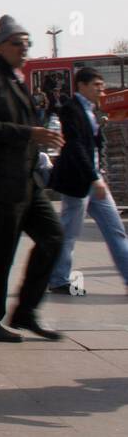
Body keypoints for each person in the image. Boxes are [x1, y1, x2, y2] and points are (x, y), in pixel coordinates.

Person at [0, 16, 65, 342]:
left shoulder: (16, 79)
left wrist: (36, 136)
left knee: (53, 238)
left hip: (26, 180)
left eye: (27, 43)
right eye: (18, 43)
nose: (25, 49)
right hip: (1, 182)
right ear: (1, 45)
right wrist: (30, 133)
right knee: (1, 252)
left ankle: (26, 311)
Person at [48, 68, 128, 294]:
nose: (100, 89)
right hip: (79, 182)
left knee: (116, 229)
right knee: (70, 232)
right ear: (82, 85)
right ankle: (58, 279)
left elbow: (93, 145)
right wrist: (94, 178)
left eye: (101, 85)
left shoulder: (92, 110)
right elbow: (75, 147)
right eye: (96, 85)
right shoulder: (71, 110)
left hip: (95, 181)